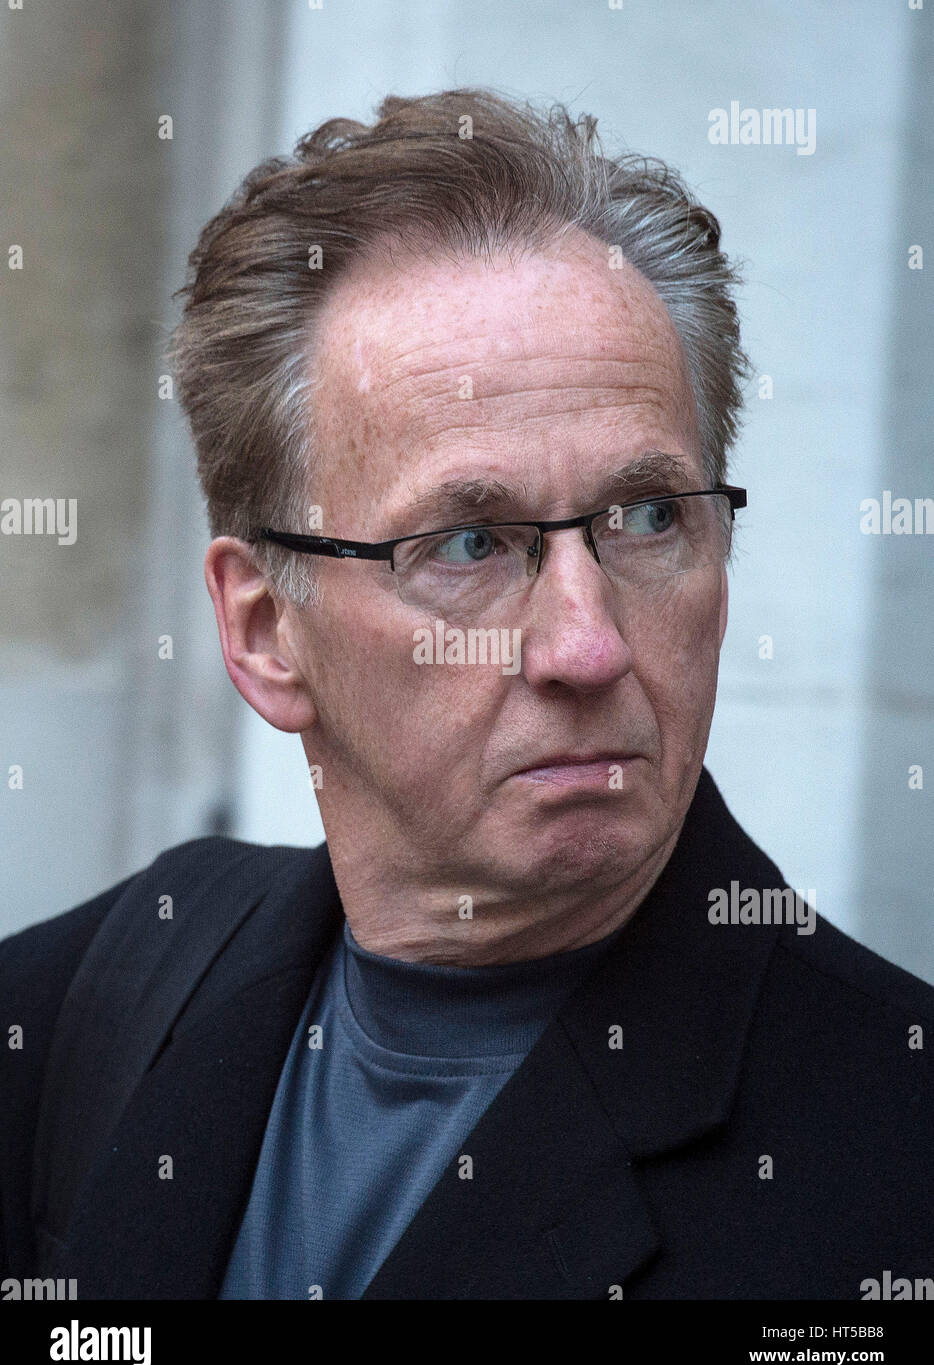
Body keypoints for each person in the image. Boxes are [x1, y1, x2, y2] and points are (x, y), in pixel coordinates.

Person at [3, 88, 932, 1301]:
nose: (585, 647)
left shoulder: (891, 1165)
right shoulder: (86, 1006)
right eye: (469, 544)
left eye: (648, 517)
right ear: (267, 628)